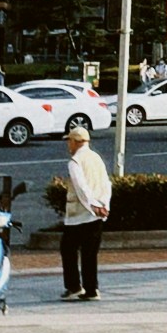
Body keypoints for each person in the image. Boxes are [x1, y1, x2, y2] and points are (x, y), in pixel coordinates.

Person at [59, 123, 111, 301]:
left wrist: (93, 205)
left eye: (69, 141)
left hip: (78, 215)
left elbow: (81, 188)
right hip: (97, 215)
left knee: (68, 249)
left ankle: (74, 287)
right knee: (90, 254)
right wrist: (104, 205)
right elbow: (106, 184)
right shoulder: (96, 158)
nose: (68, 145)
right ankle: (92, 289)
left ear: (75, 142)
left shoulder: (75, 161)